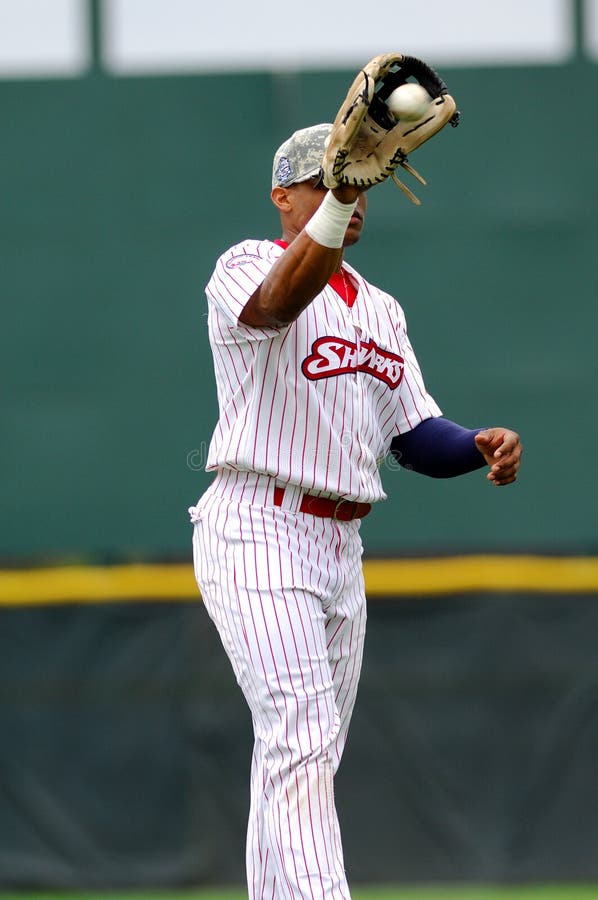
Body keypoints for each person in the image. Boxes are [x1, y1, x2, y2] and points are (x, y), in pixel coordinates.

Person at [189, 122, 522, 900]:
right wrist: (333, 202)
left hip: (340, 546)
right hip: (258, 525)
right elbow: (276, 306)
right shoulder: (246, 264)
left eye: (362, 183)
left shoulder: (381, 309)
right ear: (283, 195)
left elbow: (414, 438)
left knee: (303, 754)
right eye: (331, 181)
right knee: (300, 739)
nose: (353, 195)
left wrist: (475, 443)